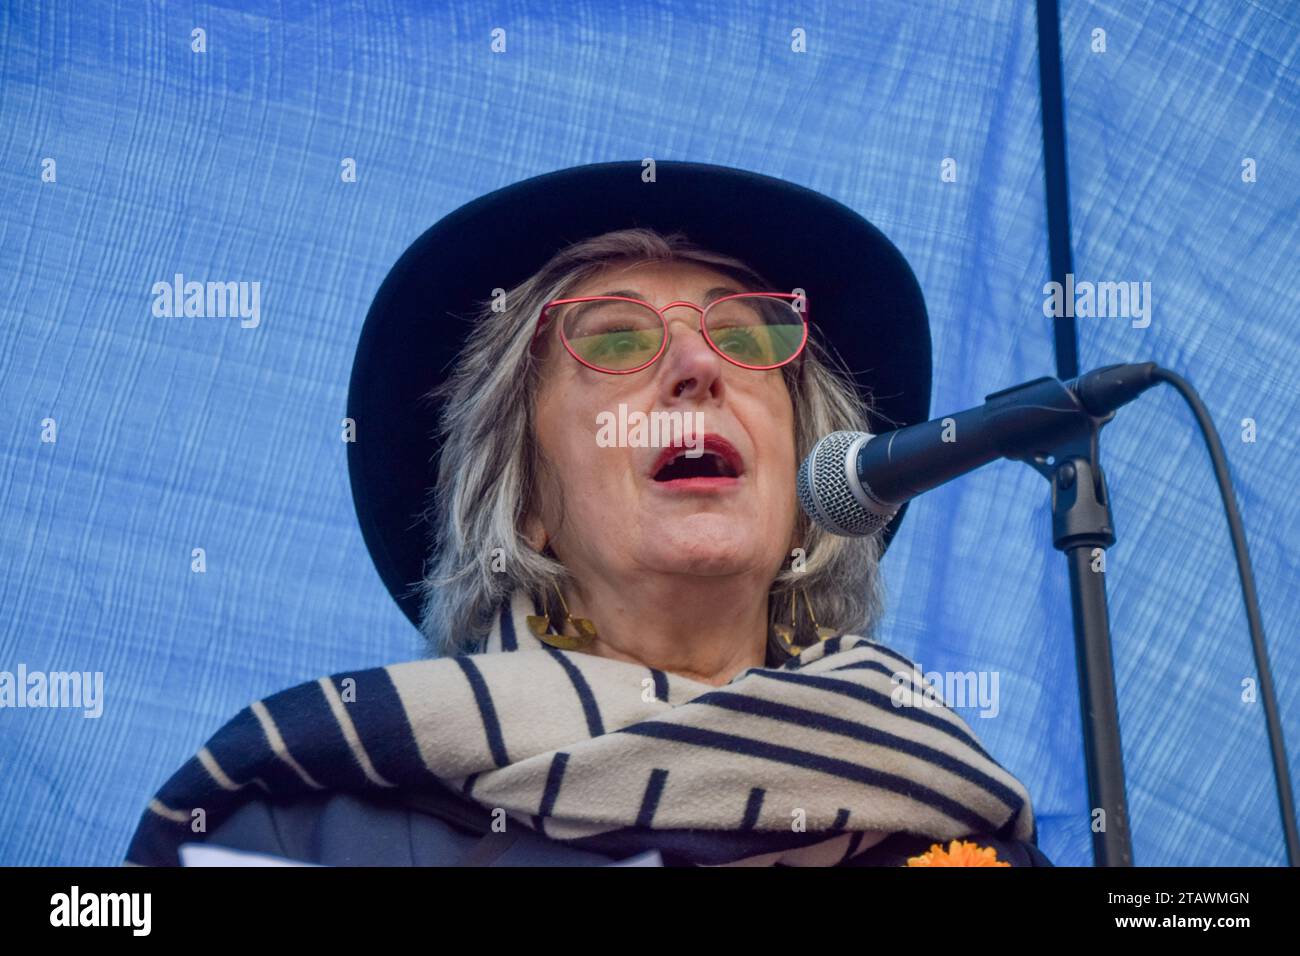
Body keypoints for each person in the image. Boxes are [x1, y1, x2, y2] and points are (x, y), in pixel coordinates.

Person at [124, 161, 1051, 867]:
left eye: (748, 332)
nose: (700, 367)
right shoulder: (310, 827)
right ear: (523, 500)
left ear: (814, 487)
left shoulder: (951, 826)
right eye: (613, 339)